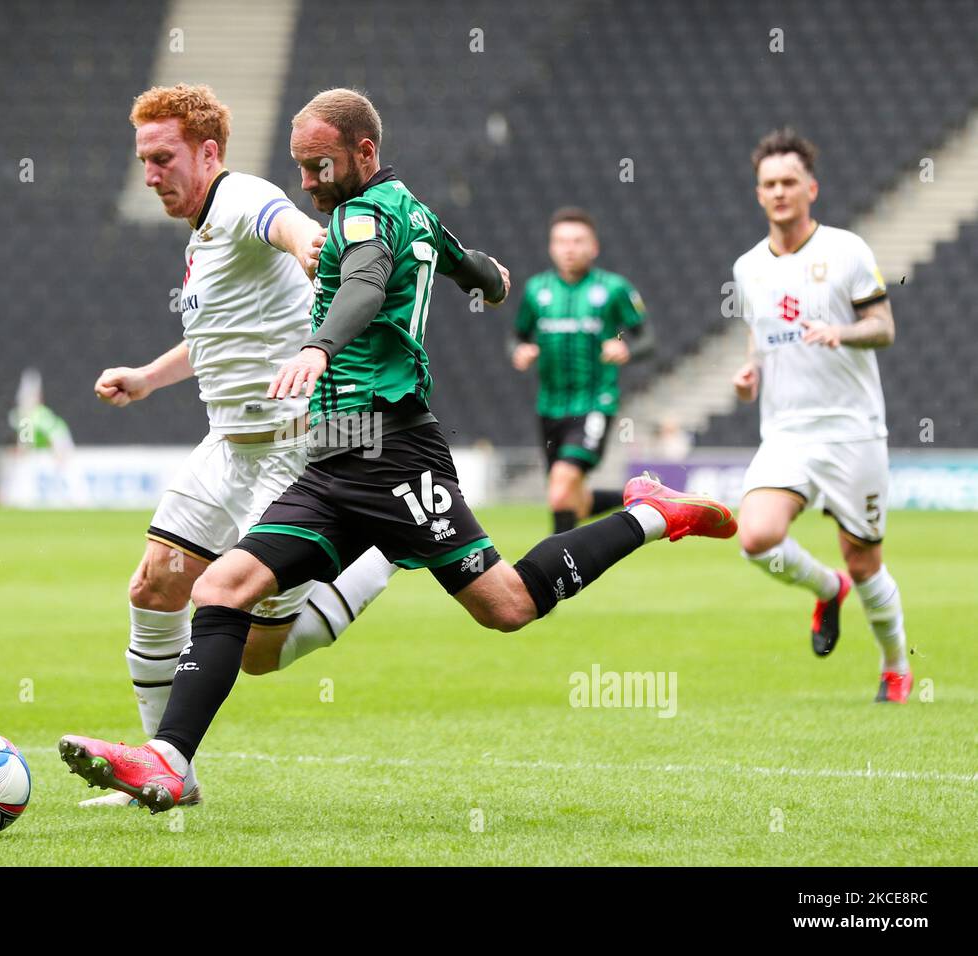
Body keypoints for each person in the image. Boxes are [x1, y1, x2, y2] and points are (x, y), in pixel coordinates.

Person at [59, 88, 738, 812]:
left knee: (505, 606)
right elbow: (470, 266)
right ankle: (167, 762)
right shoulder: (413, 209)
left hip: (395, 452)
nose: (309, 184)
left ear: (364, 153)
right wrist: (493, 279)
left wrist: (320, 346)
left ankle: (651, 514)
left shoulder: (355, 218)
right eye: (300, 169)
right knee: (221, 589)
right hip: (330, 458)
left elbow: (360, 281)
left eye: (318, 167)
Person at [78, 84, 397, 808]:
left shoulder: (240, 199)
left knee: (259, 653)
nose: (150, 174)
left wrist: (314, 246)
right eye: (143, 160)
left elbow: (285, 226)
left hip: (290, 454)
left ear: (209, 152)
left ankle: (376, 558)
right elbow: (213, 337)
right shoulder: (203, 240)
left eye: (164, 158)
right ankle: (164, 775)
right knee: (153, 585)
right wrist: (148, 378)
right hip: (227, 446)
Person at [729, 129, 909, 703]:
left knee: (864, 562)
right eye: (769, 184)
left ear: (811, 188)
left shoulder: (847, 250)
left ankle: (895, 665)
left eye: (789, 182)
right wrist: (749, 373)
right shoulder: (748, 268)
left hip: (852, 432)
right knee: (756, 536)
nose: (779, 192)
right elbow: (759, 339)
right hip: (786, 433)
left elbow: (883, 326)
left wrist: (843, 332)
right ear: (759, 194)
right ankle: (824, 589)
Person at [512, 207, 653, 531]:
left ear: (594, 247)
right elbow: (516, 336)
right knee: (573, 501)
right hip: (549, 406)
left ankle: (555, 571)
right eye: (561, 241)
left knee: (560, 491)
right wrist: (520, 350)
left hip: (594, 402)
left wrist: (625, 348)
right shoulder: (536, 290)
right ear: (551, 247)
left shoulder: (614, 289)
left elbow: (648, 340)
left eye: (578, 241)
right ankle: (642, 496)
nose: (569, 248)